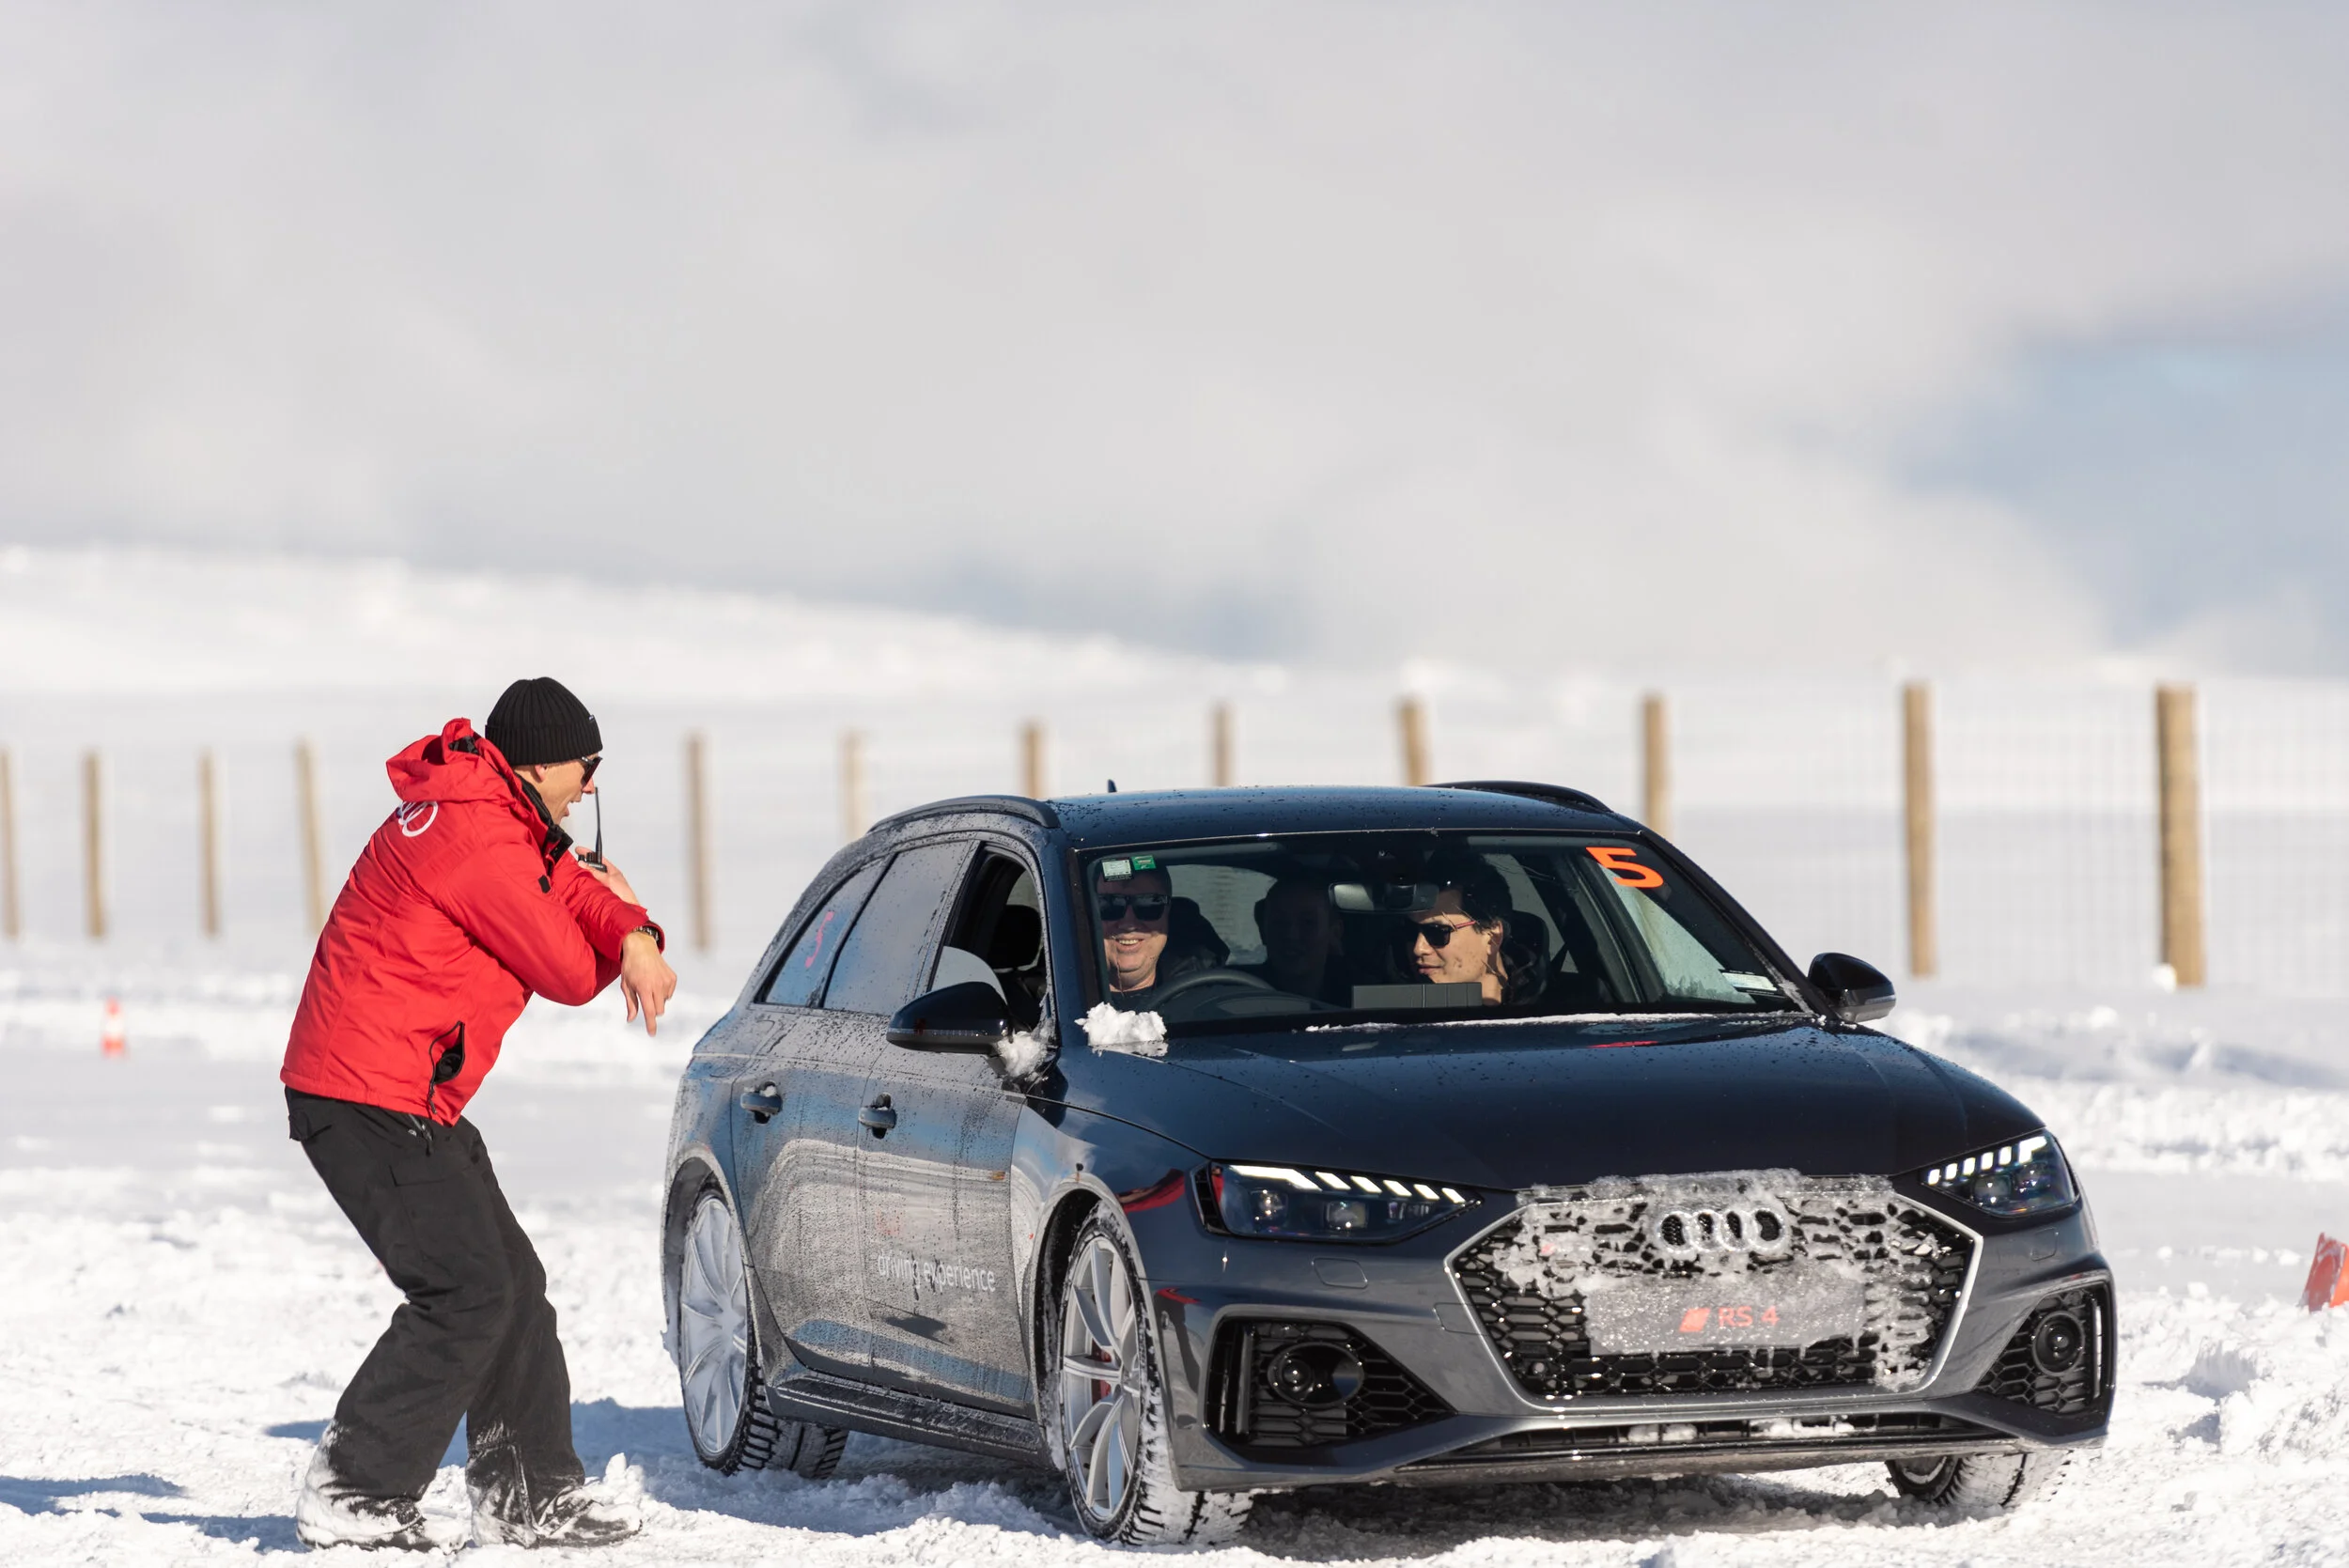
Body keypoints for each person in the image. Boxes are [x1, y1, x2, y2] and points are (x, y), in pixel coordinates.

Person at [279, 677, 678, 1551]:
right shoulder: (474, 838)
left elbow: (573, 889)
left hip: (403, 1092)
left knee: (514, 1290)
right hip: (361, 1094)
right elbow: (571, 969)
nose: (593, 784)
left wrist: (635, 927)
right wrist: (622, 938)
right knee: (465, 1291)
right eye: (587, 765)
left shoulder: (492, 813)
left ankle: (526, 1493)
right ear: (538, 764)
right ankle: (354, 1489)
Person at [1400, 860, 1536, 1005]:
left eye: (1437, 933)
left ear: (1492, 937)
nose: (1418, 948)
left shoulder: (1554, 1009)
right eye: (1410, 931)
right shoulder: (1390, 1010)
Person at [1243, 876, 1350, 1004]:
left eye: (1308, 923)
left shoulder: (1363, 996)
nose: (1291, 935)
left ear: (1334, 933)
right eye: (1280, 922)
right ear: (1263, 932)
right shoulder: (1236, 994)